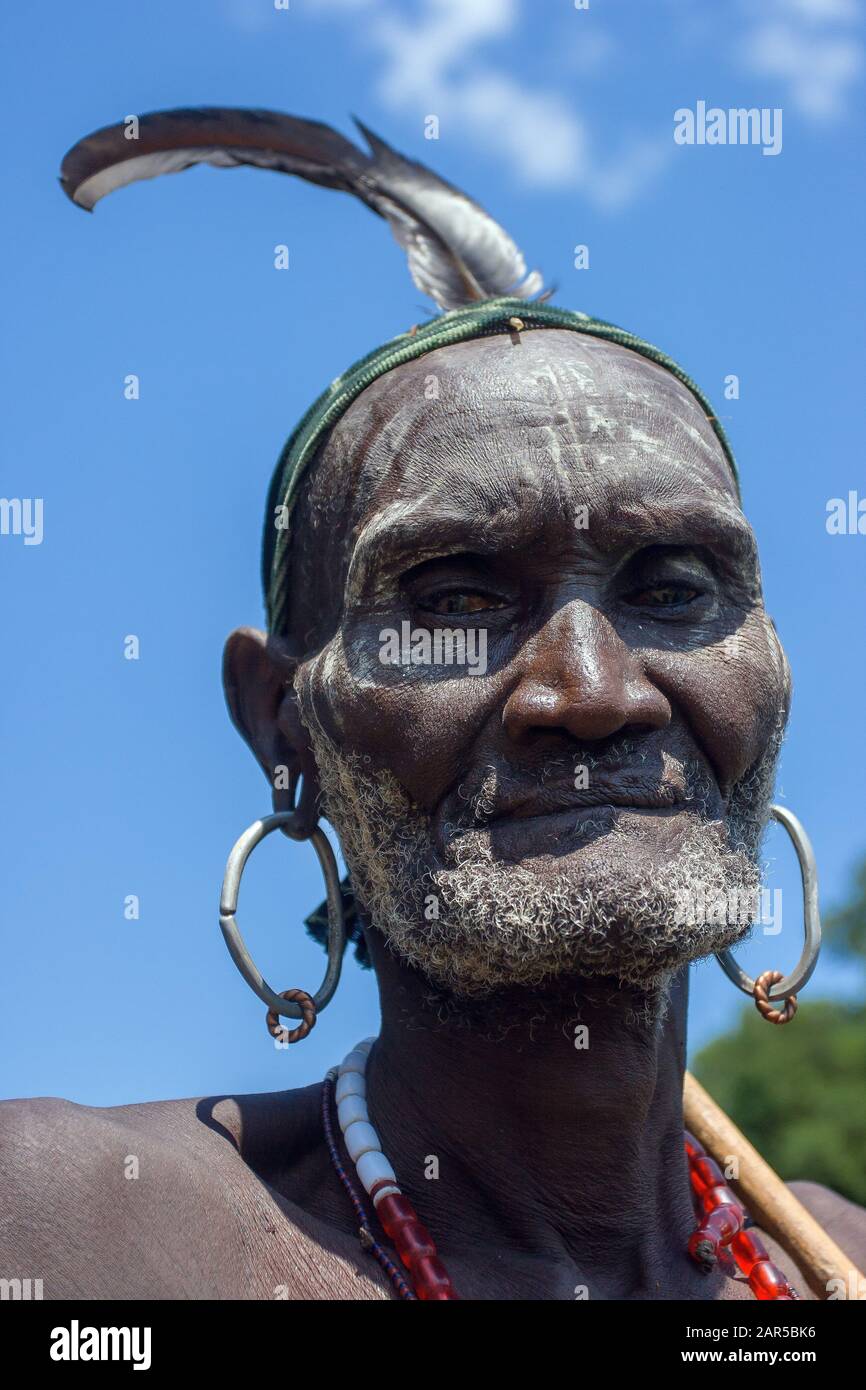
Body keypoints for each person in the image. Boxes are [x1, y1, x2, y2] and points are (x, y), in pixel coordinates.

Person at [1, 109, 862, 1301]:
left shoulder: (836, 1265)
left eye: (672, 588)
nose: (593, 694)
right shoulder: (73, 1240)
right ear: (279, 721)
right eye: (453, 598)